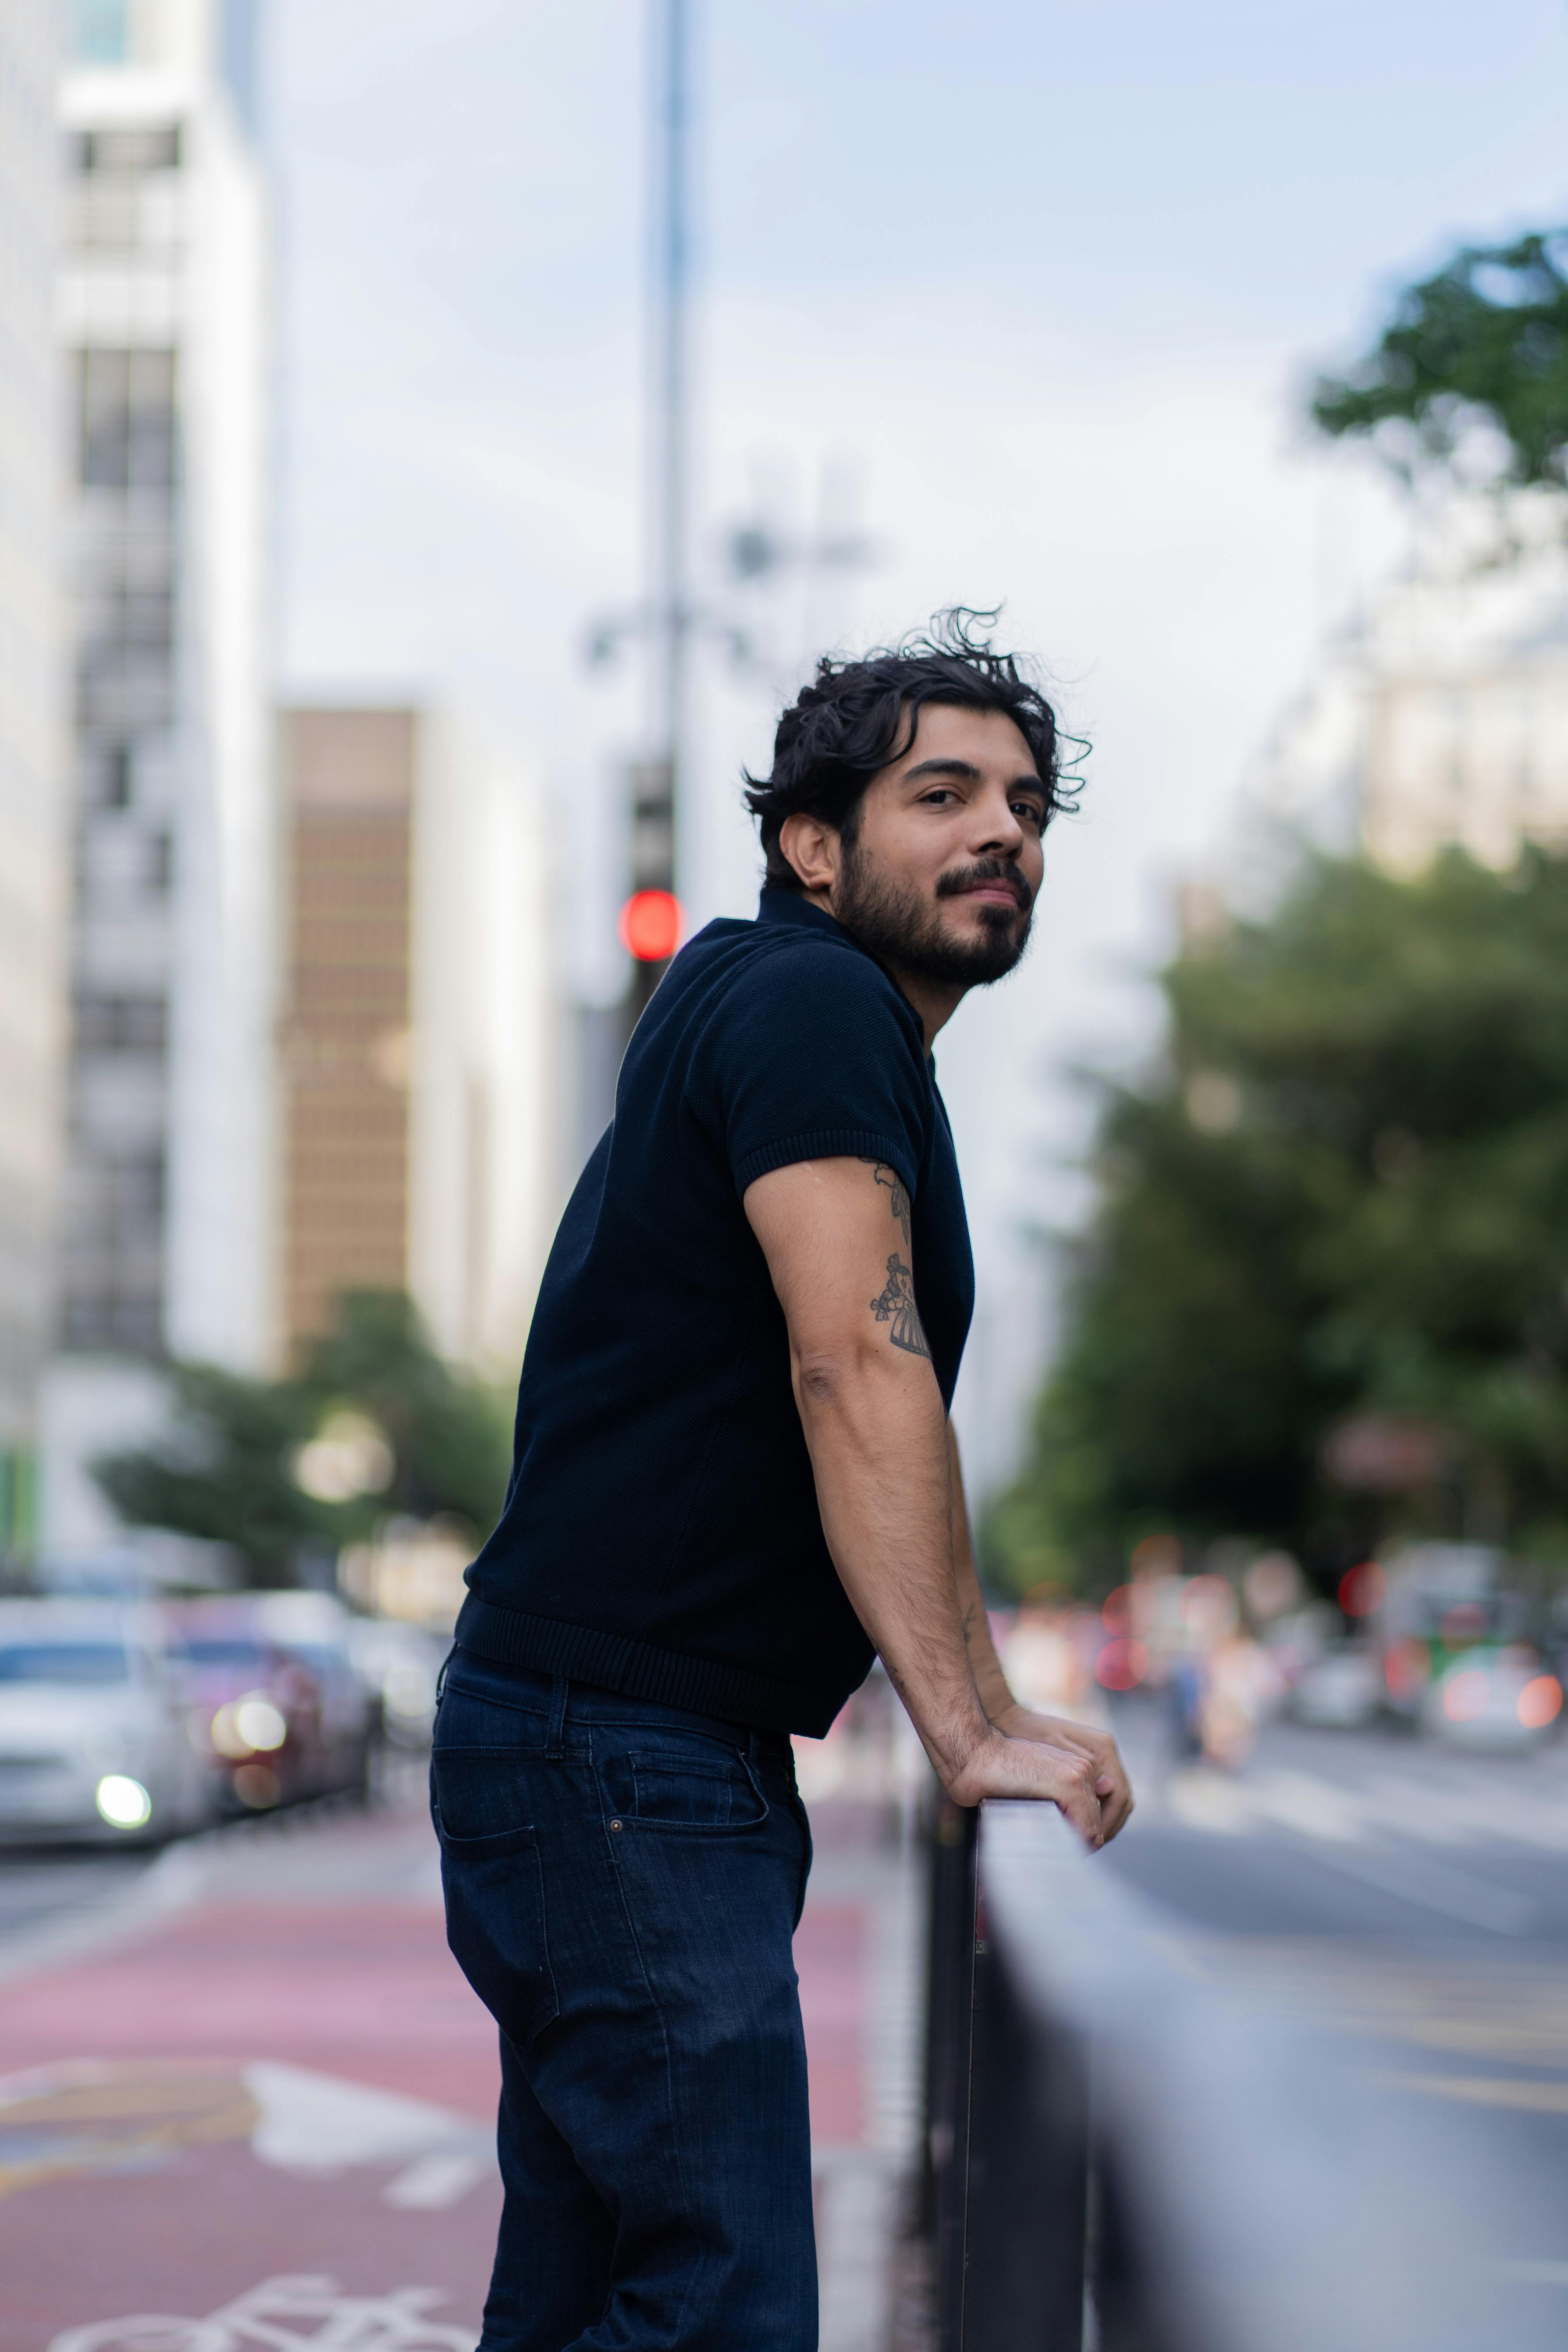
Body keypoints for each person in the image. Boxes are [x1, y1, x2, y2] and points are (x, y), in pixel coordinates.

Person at [433, 612, 1134, 2352]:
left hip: (605, 1740)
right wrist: (970, 1720)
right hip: (621, 1755)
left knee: (598, 2289)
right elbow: (857, 1360)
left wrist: (980, 1707)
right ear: (812, 847)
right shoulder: (817, 1000)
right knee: (722, 2309)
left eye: (1028, 805)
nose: (1003, 834)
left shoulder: (783, 1008)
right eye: (942, 794)